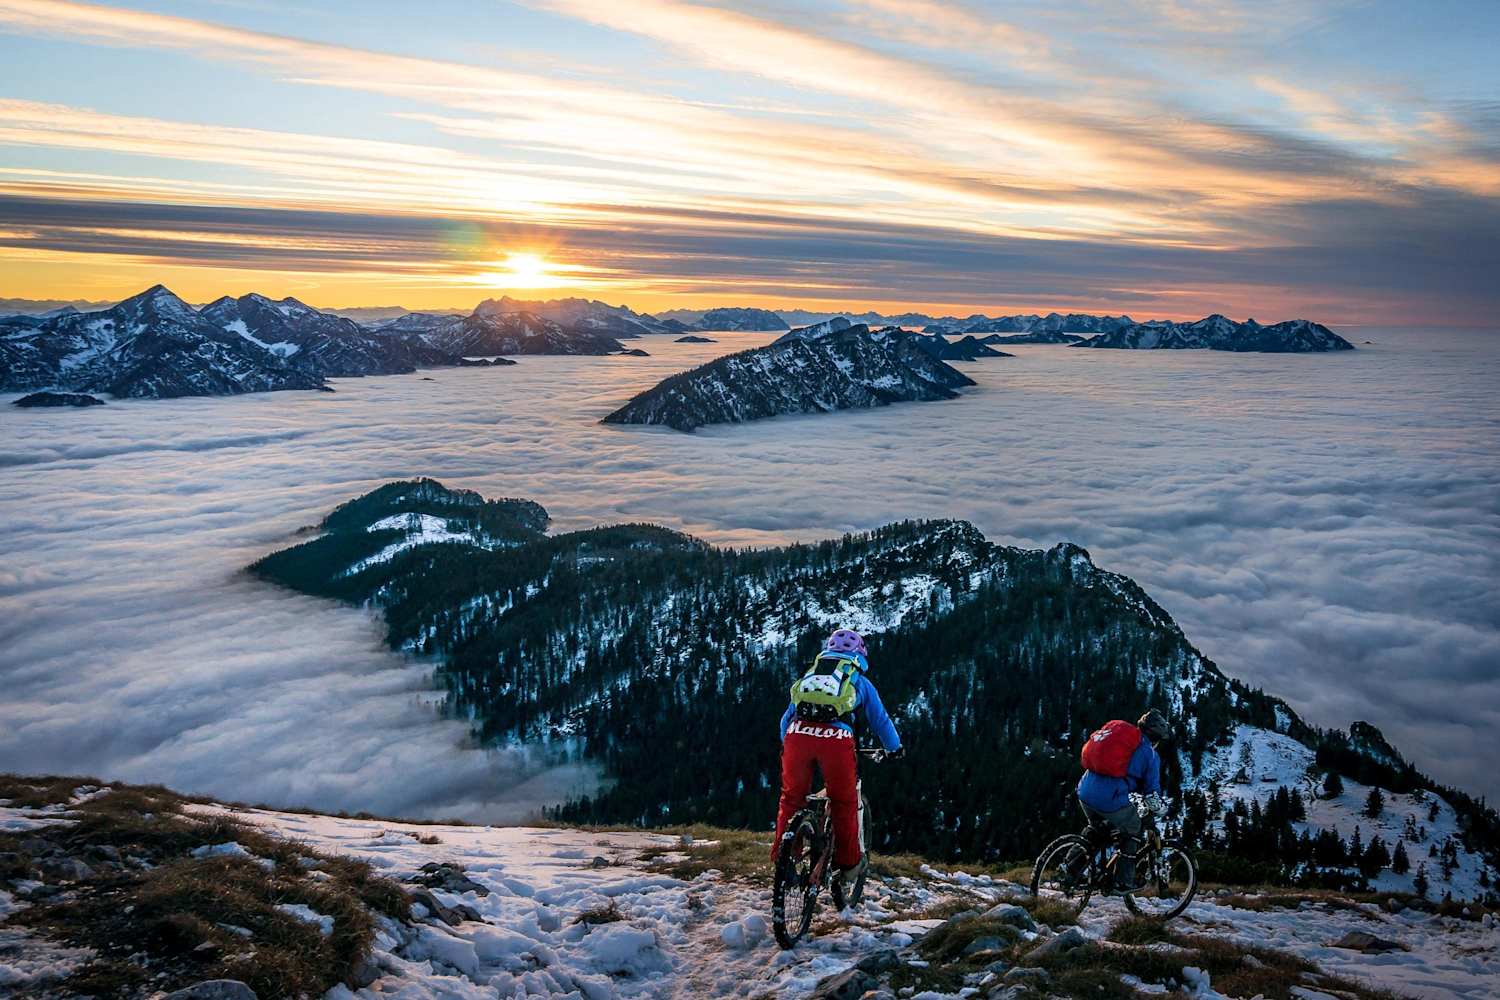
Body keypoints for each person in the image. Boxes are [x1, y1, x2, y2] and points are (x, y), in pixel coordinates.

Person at [772, 628, 902, 893]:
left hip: (798, 736)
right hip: (837, 739)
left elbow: (786, 719)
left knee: (791, 799)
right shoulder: (859, 681)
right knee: (844, 802)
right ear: (860, 654)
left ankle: (785, 858)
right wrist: (894, 747)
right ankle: (849, 866)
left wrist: (790, 743)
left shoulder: (812, 674)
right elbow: (880, 719)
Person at [1077, 709, 1170, 892]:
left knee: (1098, 831)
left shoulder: (1123, 738)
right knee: (1133, 828)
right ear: (1156, 737)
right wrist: (1162, 810)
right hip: (1108, 798)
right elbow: (1151, 795)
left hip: (1085, 791)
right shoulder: (1149, 754)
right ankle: (1122, 882)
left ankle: (1069, 869)